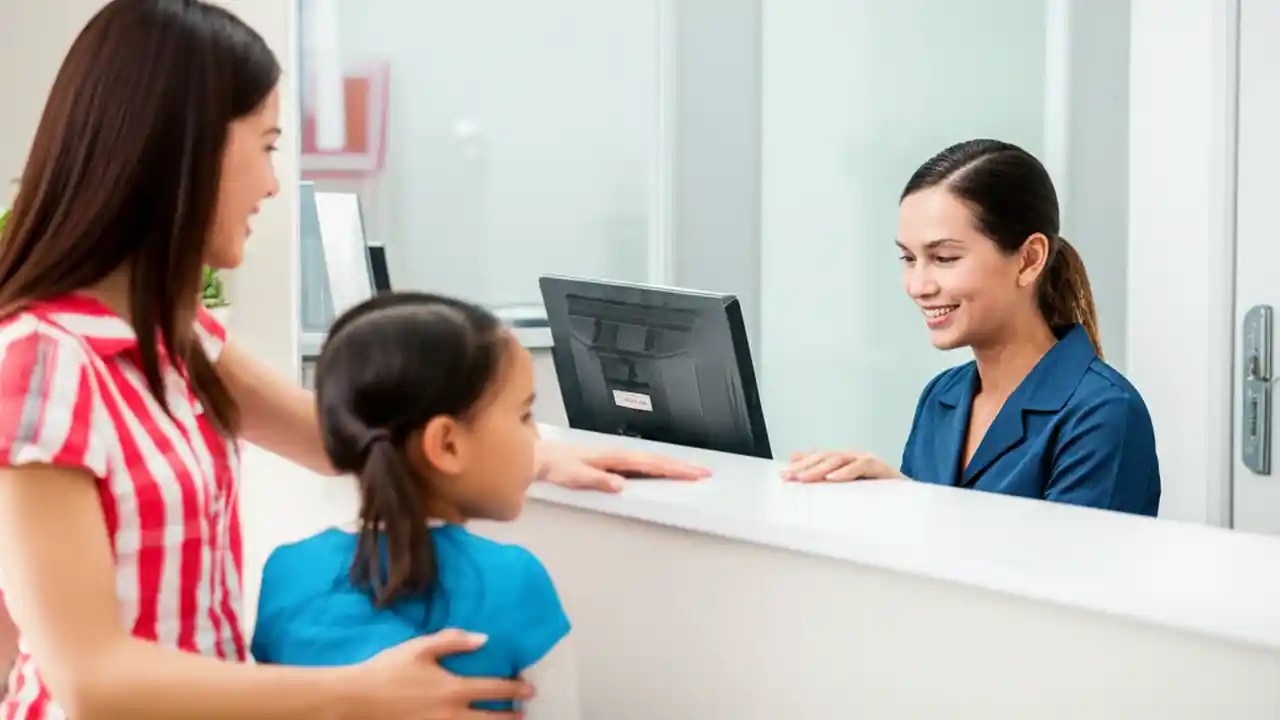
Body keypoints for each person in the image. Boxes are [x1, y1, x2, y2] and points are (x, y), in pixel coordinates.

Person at [0, 1, 702, 717]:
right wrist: (357, 692)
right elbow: (90, 679)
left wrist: (530, 449)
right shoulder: (43, 365)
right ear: (186, 151)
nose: (273, 185)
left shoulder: (178, 339)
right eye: (267, 145)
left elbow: (349, 434)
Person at [783, 139, 1160, 516]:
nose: (918, 285)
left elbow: (1064, 571)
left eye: (944, 258)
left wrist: (910, 501)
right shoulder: (942, 397)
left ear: (1029, 259)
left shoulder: (1103, 413)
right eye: (908, 258)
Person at [253, 292, 579, 719]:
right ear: (447, 444)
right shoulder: (516, 581)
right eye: (523, 416)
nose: (536, 440)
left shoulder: (287, 572)